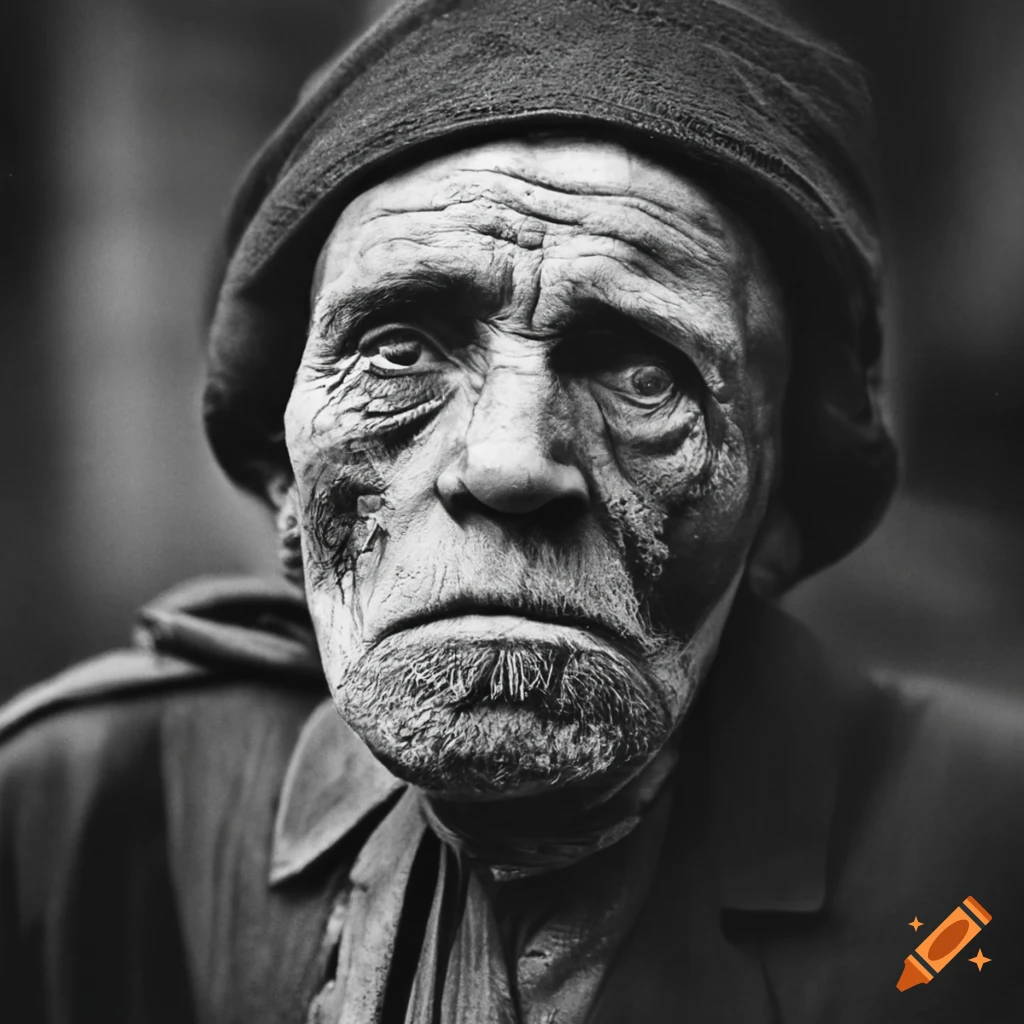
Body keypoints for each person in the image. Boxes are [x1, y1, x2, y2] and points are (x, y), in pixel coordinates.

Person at [2, 1, 1022, 1021]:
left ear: (779, 499)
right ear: (286, 477)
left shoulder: (982, 853)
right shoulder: (79, 819)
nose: (509, 462)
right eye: (399, 350)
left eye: (642, 376)